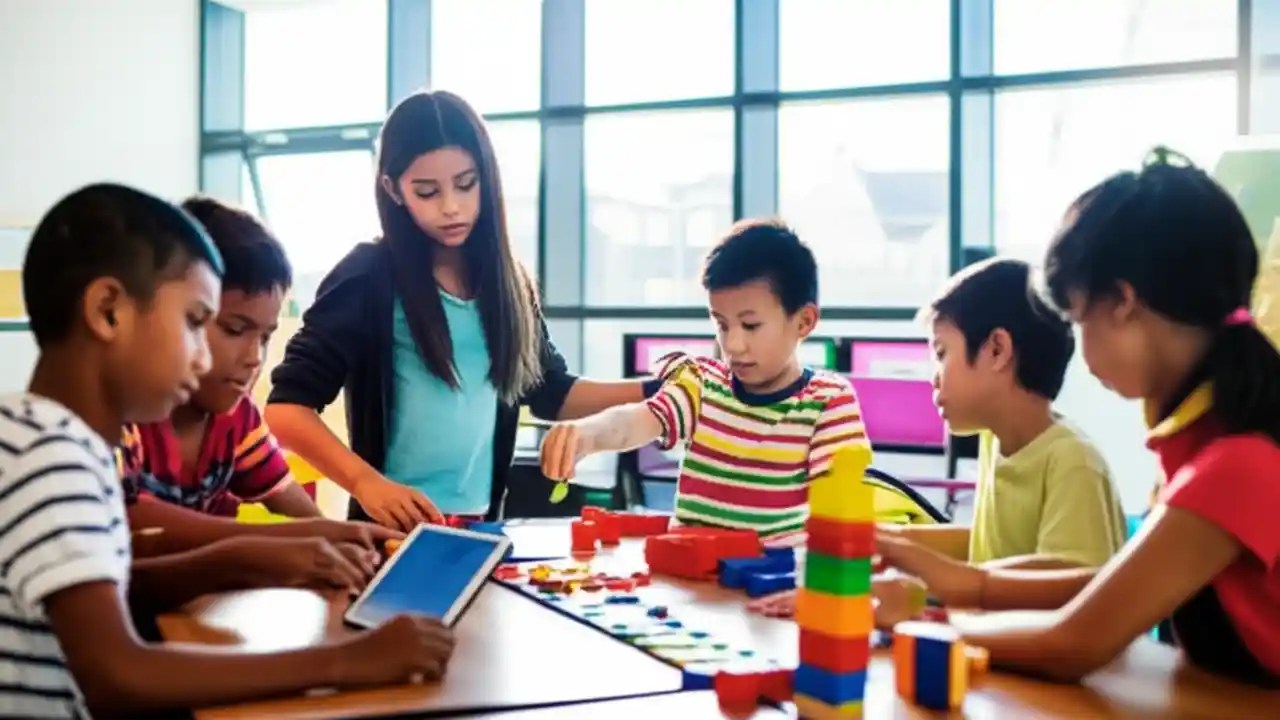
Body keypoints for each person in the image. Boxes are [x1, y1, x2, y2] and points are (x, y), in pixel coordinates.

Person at [0, 184, 453, 718]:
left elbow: (117, 591)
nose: (201, 358)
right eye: (196, 322)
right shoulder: (52, 455)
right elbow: (115, 674)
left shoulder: (48, 442)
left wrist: (257, 556)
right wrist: (348, 661)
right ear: (109, 311)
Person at [875, 149, 1280, 687]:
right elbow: (1111, 586)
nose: (1081, 349)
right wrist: (957, 581)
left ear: (1122, 303)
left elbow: (1076, 641)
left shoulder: (1235, 465)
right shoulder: (1205, 442)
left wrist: (926, 622)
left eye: (1079, 318)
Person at [265, 90, 655, 531]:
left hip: (482, 528)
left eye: (466, 184)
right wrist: (366, 483)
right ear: (393, 190)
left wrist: (656, 389)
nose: (451, 206)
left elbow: (551, 392)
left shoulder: (508, 284)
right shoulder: (367, 276)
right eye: (427, 192)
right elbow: (286, 410)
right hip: (391, 533)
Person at [747, 257, 1126, 618]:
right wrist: (884, 541)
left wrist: (919, 566)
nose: (934, 377)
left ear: (997, 350)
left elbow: (1072, 581)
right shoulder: (998, 442)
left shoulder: (1072, 462)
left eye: (942, 353)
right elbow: (987, 548)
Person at [540, 219, 869, 544]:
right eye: (722, 325)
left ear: (804, 322)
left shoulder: (828, 402)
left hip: (776, 574)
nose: (733, 345)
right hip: (685, 571)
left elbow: (839, 506)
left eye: (750, 326)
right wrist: (587, 434)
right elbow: (633, 422)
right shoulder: (702, 385)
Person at [118, 195, 399, 554]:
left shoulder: (237, 420)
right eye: (234, 329)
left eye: (265, 337)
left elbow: (302, 513)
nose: (254, 358)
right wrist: (268, 547)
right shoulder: (121, 418)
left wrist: (350, 540)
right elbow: (133, 523)